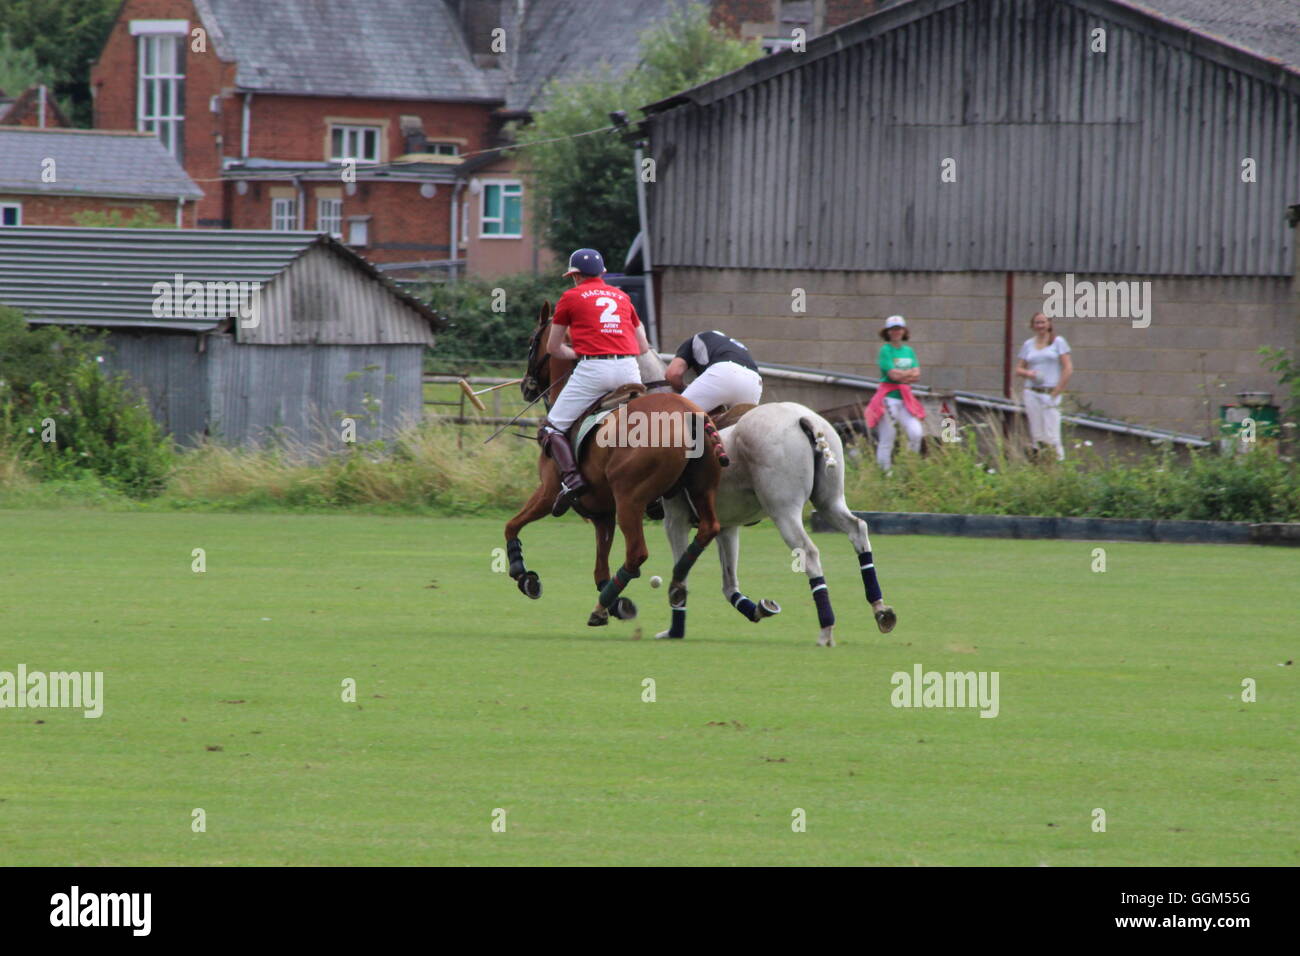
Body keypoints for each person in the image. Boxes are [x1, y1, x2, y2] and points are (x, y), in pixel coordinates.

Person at [540, 247, 652, 517]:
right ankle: (656, 487)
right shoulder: (623, 296)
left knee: (552, 428)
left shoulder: (570, 297)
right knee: (649, 426)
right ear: (602, 273)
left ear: (575, 276)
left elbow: (554, 348)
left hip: (594, 369)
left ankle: (573, 481)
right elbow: (644, 346)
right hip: (628, 368)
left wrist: (576, 354)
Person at [865, 315, 926, 471]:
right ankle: (884, 472)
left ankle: (909, 468)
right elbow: (892, 375)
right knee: (888, 437)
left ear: (903, 330)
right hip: (888, 399)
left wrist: (902, 375)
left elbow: (917, 375)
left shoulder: (909, 351)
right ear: (888, 332)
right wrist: (908, 374)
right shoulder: (885, 350)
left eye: (898, 328)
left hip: (905, 399)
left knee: (916, 433)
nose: (896, 332)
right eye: (892, 329)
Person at [1015, 312, 1073, 461]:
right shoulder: (1028, 344)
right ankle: (1039, 463)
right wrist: (1029, 373)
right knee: (1036, 432)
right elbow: (1018, 369)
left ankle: (1057, 464)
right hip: (1032, 392)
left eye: (1043, 322)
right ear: (1032, 326)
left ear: (1049, 324)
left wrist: (1057, 390)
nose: (1040, 325)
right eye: (1037, 323)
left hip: (1050, 392)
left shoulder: (1058, 342)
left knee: (1052, 433)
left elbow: (1068, 368)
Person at [664, 330, 763, 411]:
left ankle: (696, 435)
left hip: (725, 372)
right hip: (754, 383)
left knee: (677, 414)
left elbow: (672, 374)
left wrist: (684, 388)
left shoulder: (695, 340)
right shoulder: (728, 344)